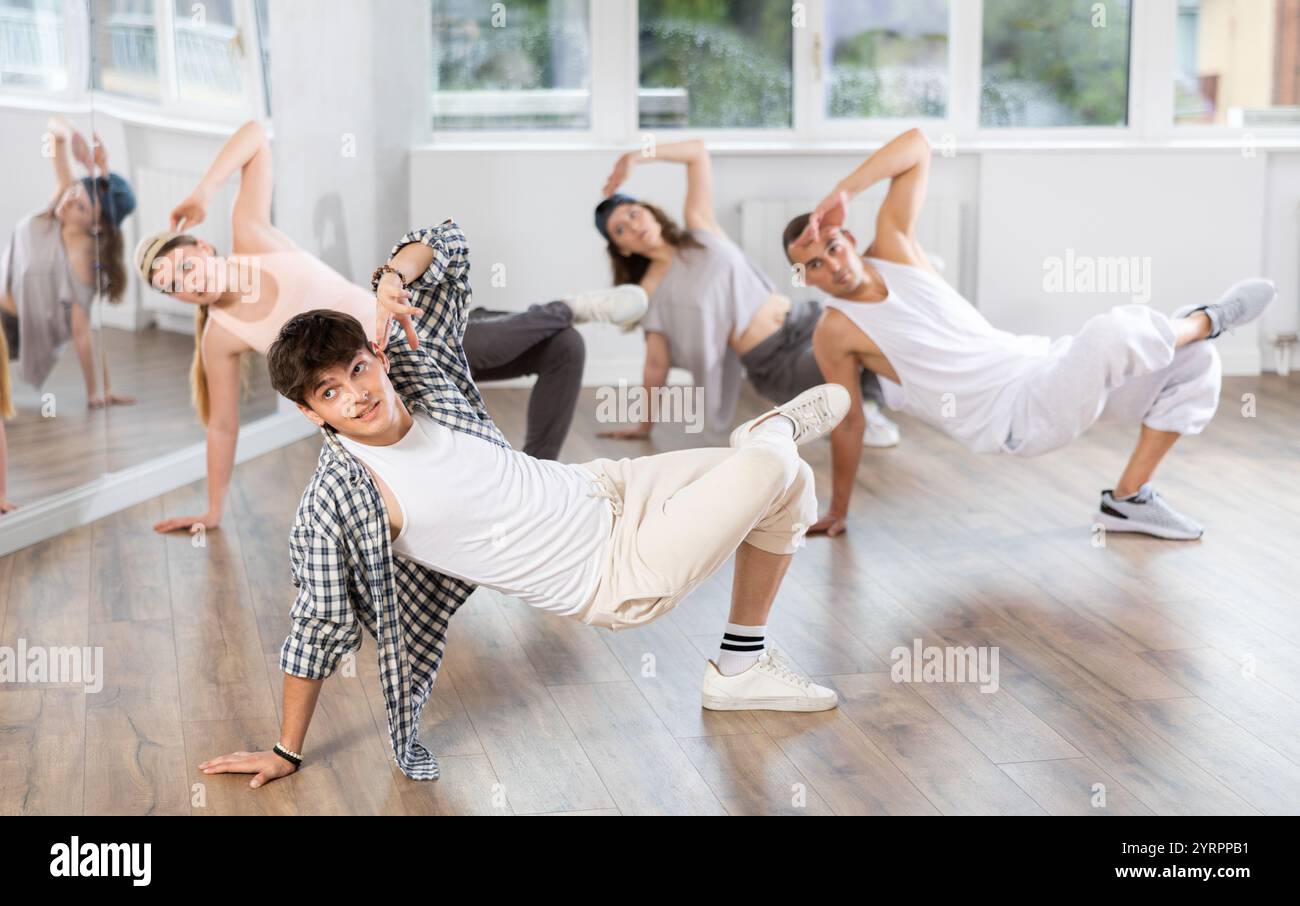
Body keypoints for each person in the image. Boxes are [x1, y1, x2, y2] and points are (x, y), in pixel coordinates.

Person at [196, 218, 847, 787]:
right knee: (770, 465)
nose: (356, 397)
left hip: (607, 486)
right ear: (313, 415)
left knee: (794, 489)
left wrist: (392, 277)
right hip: (613, 575)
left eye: (357, 372)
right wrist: (286, 750)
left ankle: (739, 665)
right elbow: (316, 626)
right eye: (330, 394)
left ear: (377, 354)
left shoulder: (422, 373)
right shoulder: (340, 499)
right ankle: (769, 435)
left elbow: (444, 240)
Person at [138, 120, 645, 535]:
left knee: (565, 349)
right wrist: (212, 511)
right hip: (390, 377)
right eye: (170, 288)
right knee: (558, 336)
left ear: (202, 247)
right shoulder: (220, 336)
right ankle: (570, 306)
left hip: (411, 325)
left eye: (182, 267)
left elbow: (255, 134)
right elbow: (223, 426)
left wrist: (204, 190)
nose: (185, 284)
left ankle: (539, 483)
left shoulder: (253, 237)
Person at [786, 127, 1277, 539]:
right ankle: (1207, 319)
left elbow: (917, 146)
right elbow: (849, 423)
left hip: (1043, 365)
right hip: (1015, 417)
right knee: (1110, 333)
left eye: (831, 247)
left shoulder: (895, 249)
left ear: (847, 236)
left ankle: (1126, 500)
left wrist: (843, 193)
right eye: (814, 265)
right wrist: (839, 510)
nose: (832, 265)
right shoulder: (835, 330)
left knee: (1196, 365)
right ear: (806, 279)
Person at [592, 138, 900, 446]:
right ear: (622, 249)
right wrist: (643, 427)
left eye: (633, 213)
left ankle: (858, 411)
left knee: (877, 323)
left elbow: (697, 152)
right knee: (855, 345)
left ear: (648, 211)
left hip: (805, 318)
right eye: (621, 230)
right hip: (775, 359)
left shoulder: (700, 230)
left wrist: (636, 156)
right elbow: (655, 365)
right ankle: (853, 416)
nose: (633, 226)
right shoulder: (650, 292)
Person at [0, 117, 137, 515]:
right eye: (75, 191)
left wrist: (96, 392)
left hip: (10, 329)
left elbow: (82, 332)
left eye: (79, 205)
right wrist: (76, 137)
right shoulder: (61, 202)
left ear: (96, 226)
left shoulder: (82, 264)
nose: (68, 200)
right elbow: (52, 131)